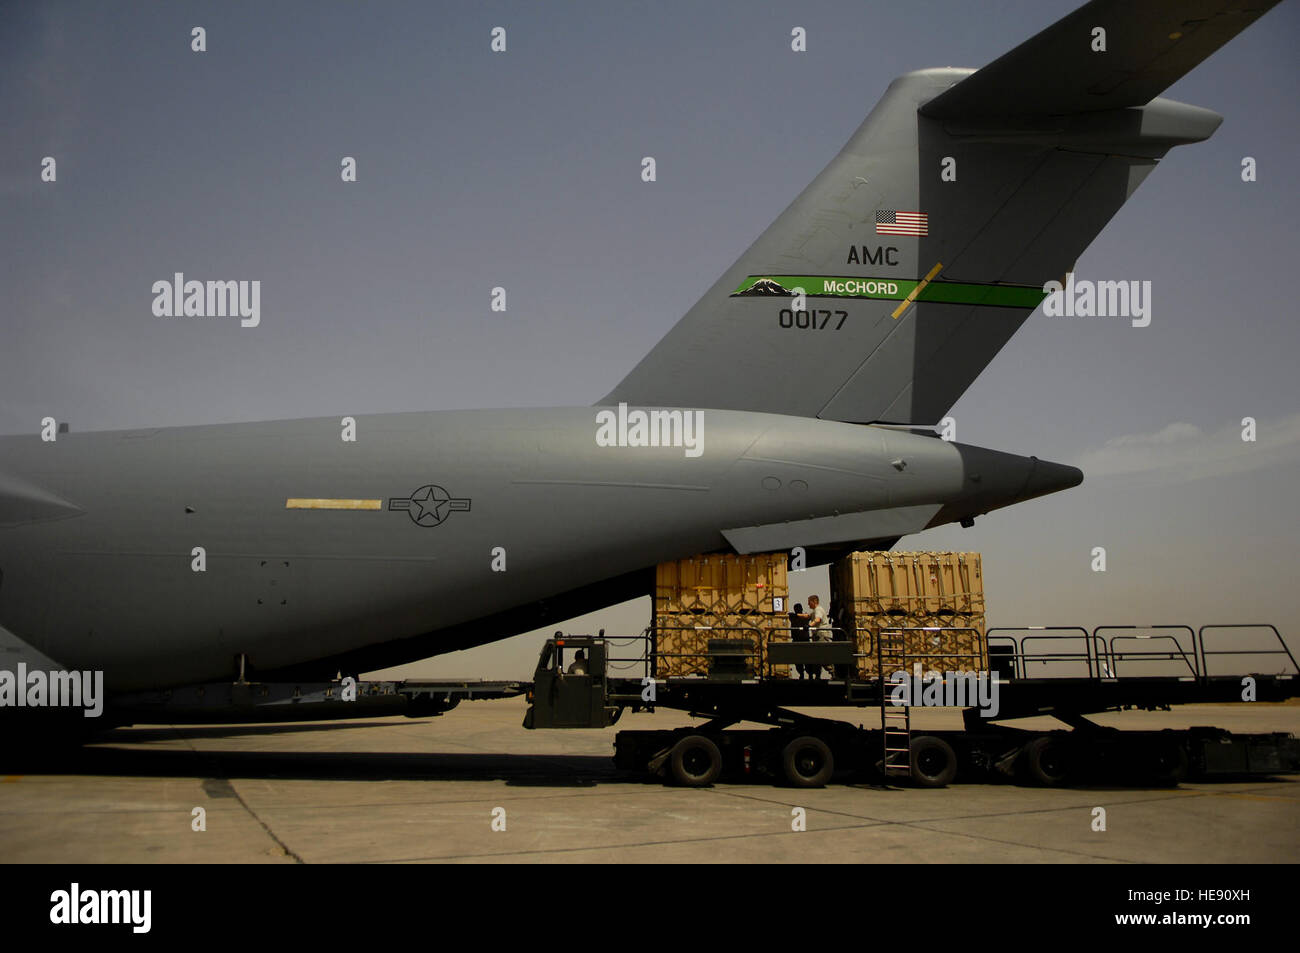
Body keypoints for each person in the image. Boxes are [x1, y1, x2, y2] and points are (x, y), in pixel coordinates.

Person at [788, 602, 810, 679]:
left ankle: (808, 674)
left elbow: (809, 616)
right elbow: (790, 614)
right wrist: (802, 615)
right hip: (797, 640)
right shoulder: (793, 616)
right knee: (798, 660)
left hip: (804, 640)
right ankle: (802, 674)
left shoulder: (806, 617)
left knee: (807, 660)